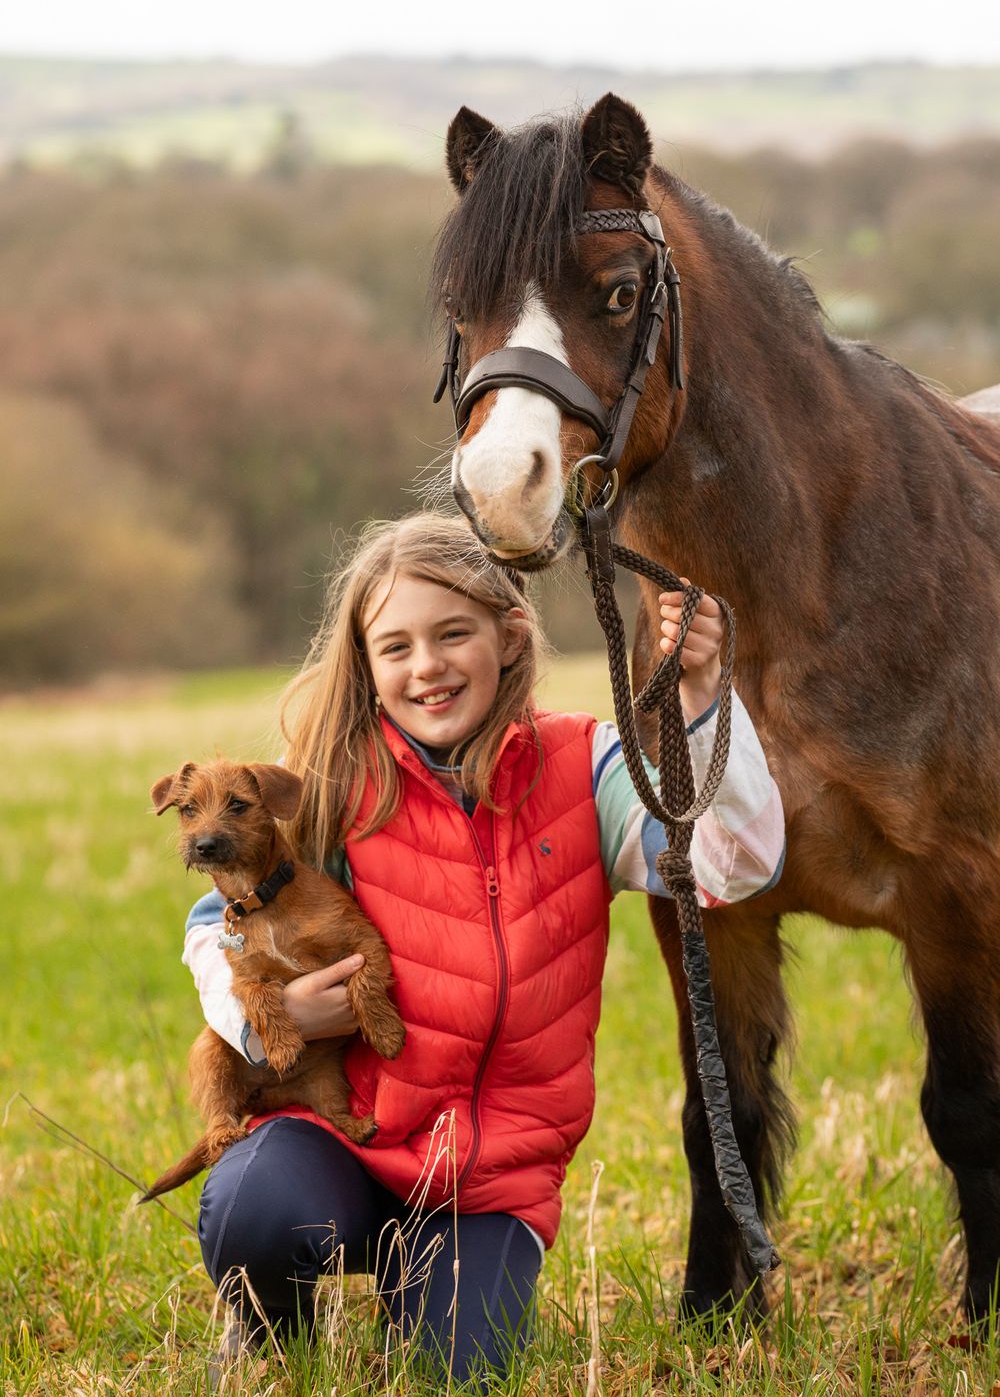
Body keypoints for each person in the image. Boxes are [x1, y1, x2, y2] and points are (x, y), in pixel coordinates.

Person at [183, 512, 784, 1382]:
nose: (425, 665)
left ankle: (415, 1280)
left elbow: (735, 864)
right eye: (395, 647)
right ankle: (270, 1316)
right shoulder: (333, 783)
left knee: (463, 1369)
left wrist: (700, 697)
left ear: (509, 636)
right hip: (341, 1131)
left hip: (489, 1177)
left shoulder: (586, 766)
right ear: (367, 664)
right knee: (255, 1214)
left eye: (452, 633)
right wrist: (257, 1018)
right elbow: (215, 922)